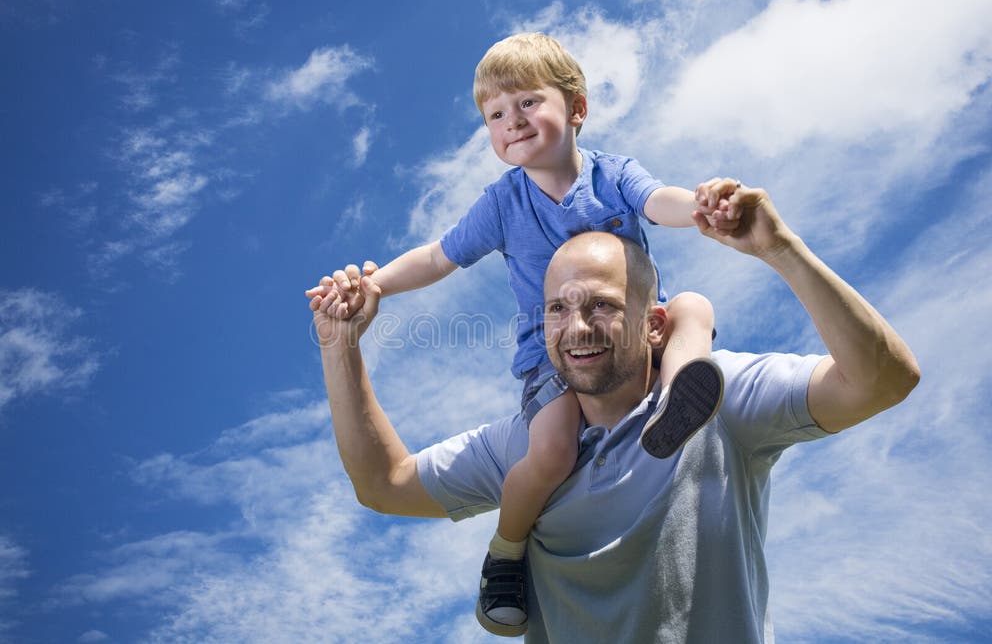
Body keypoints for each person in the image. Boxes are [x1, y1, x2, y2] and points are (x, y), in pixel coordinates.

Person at [307, 180, 920, 643]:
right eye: (555, 309)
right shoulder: (528, 444)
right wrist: (341, 346)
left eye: (600, 306)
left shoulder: (721, 397)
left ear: (655, 325)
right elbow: (383, 484)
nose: (575, 328)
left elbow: (883, 380)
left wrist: (781, 250)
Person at [306, 32, 735, 636]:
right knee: (554, 446)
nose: (514, 122)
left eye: (529, 103)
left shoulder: (613, 175)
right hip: (553, 363)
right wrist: (377, 286)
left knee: (693, 304)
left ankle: (678, 397)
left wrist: (700, 205)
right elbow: (438, 256)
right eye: (496, 115)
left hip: (639, 335)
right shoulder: (504, 203)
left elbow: (658, 200)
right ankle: (505, 554)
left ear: (577, 108)